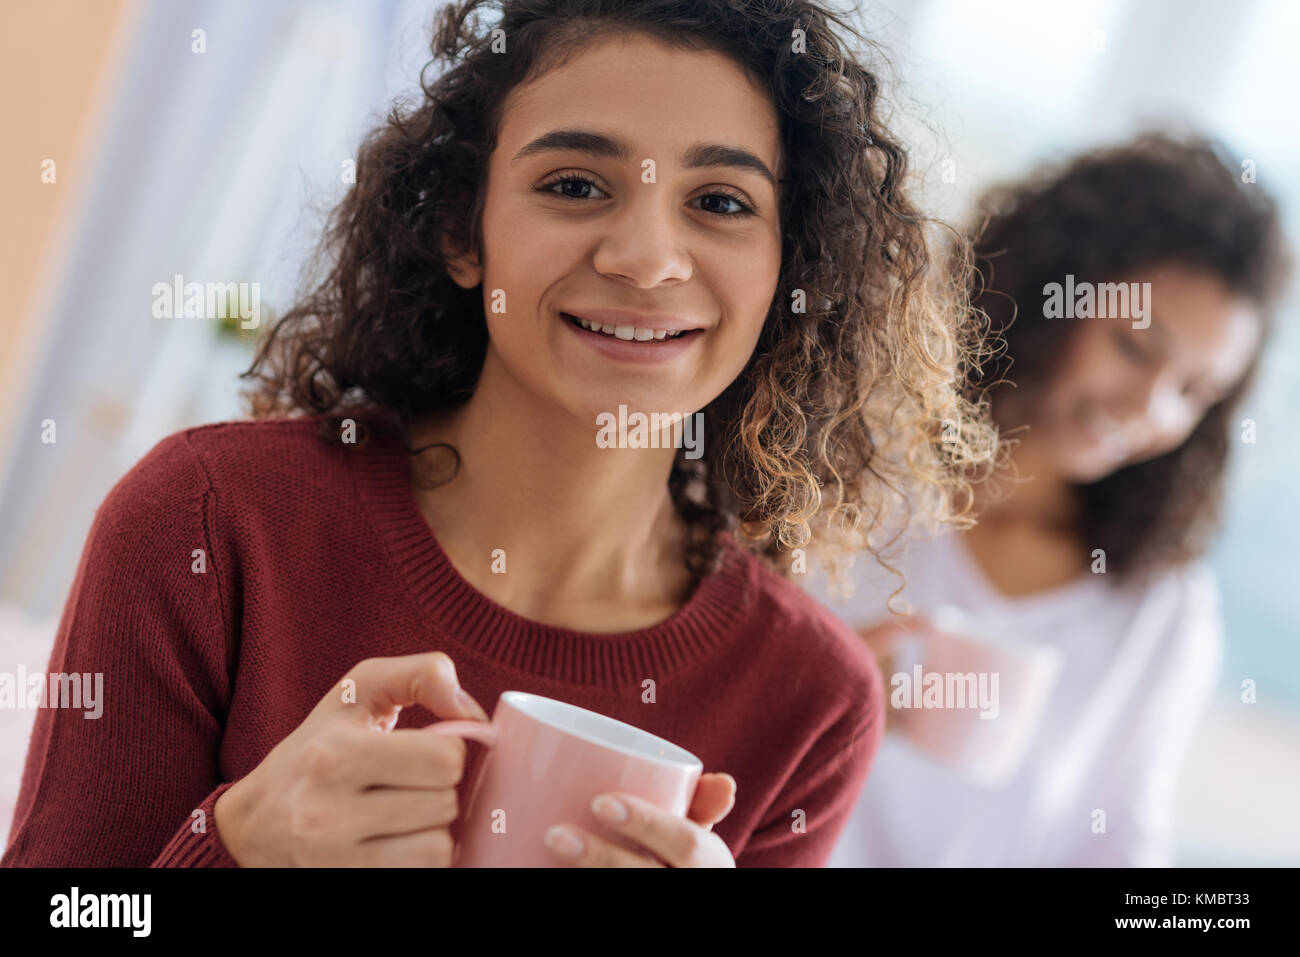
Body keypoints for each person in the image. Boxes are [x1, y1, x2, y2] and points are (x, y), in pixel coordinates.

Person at [2, 0, 993, 868]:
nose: (646, 258)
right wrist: (240, 844)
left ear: (789, 273)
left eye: (721, 204)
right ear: (461, 234)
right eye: (573, 184)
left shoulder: (810, 699)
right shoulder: (212, 521)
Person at [808, 132, 1291, 866]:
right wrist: (821, 697)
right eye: (1135, 348)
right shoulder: (840, 477)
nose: (1147, 408)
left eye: (1195, 391)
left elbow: (1123, 839)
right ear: (1047, 294)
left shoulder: (1159, 609)